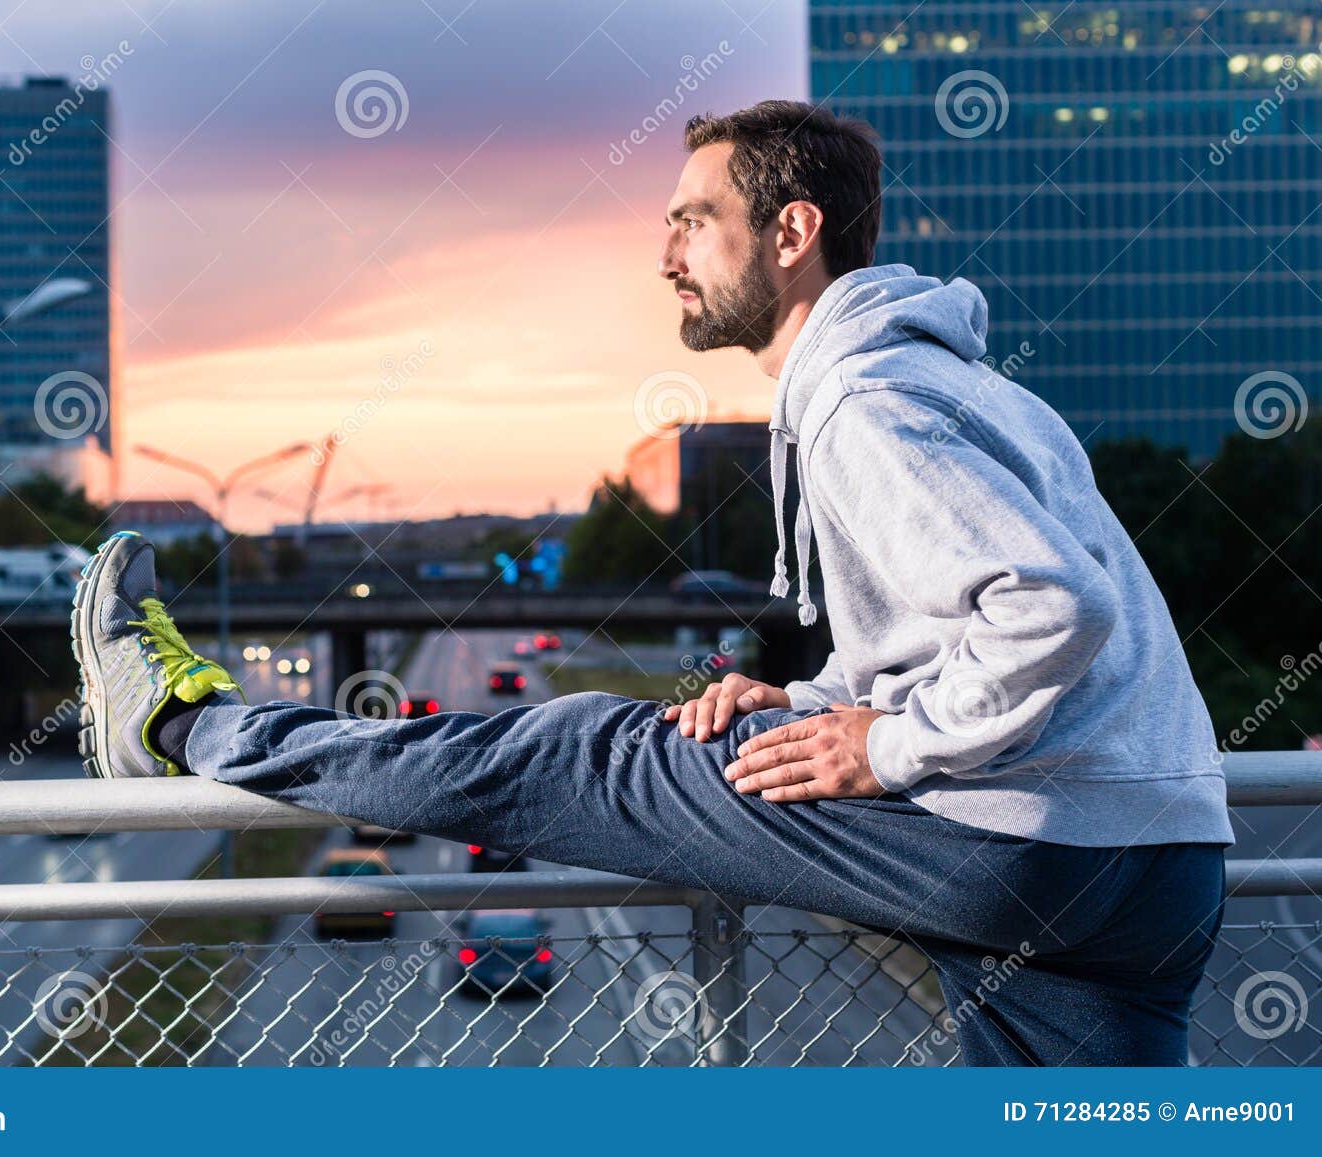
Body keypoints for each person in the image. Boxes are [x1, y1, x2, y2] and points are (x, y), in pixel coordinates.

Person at [71, 100, 1232, 1066]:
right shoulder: (963, 387)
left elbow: (1048, 604)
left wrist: (879, 750)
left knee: (573, 747)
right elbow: (975, 627)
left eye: (693, 221)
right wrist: (817, 707)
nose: (666, 254)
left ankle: (183, 719)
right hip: (1163, 859)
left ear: (791, 232)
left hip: (1025, 842)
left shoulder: (865, 403)